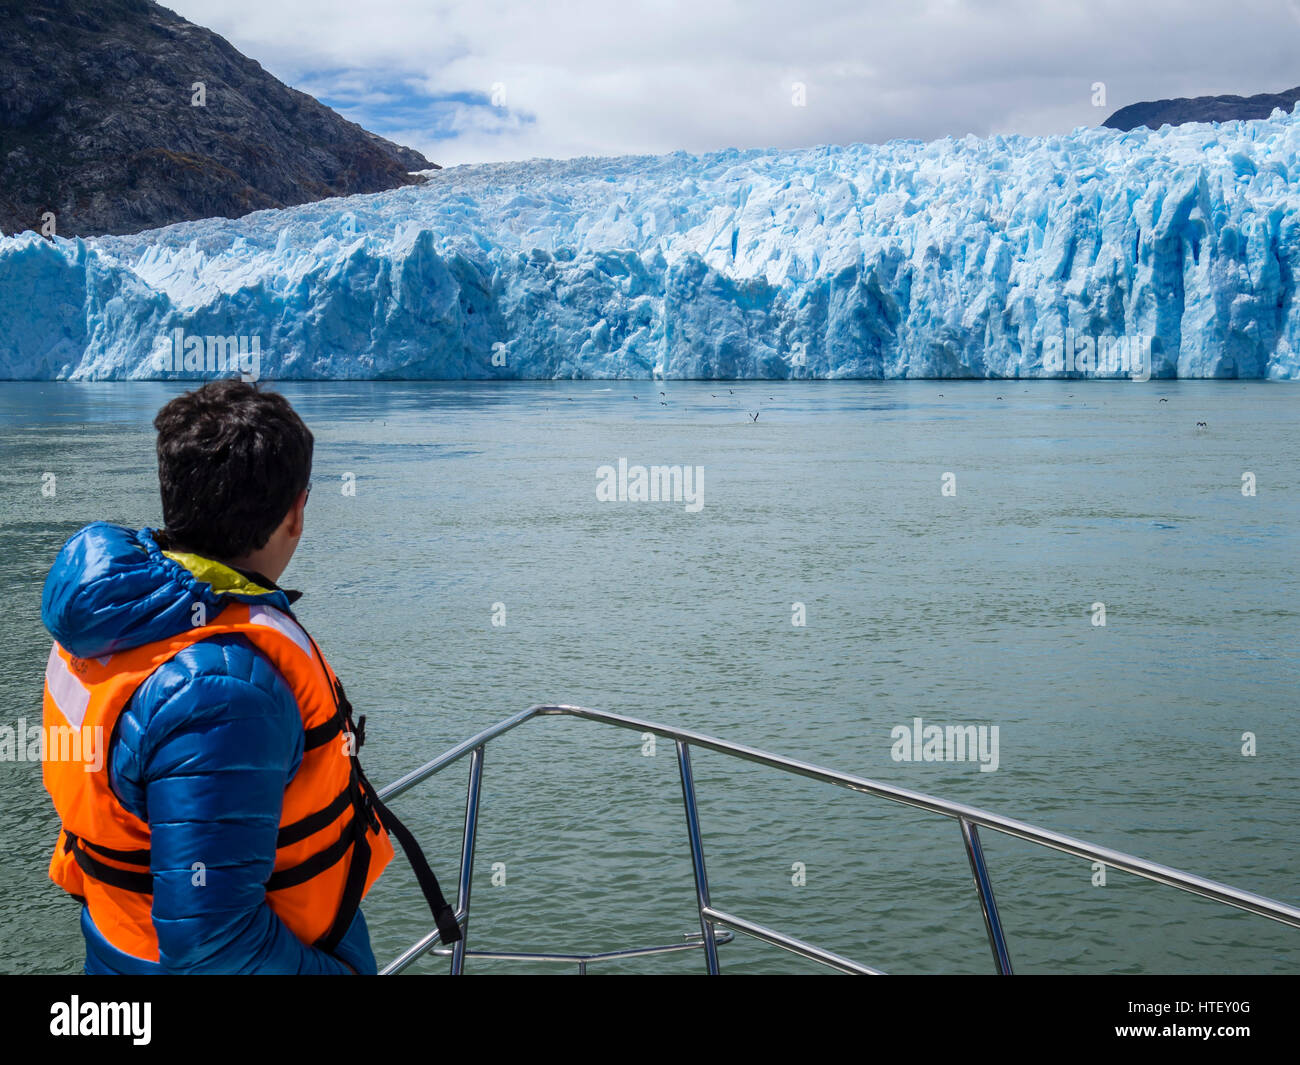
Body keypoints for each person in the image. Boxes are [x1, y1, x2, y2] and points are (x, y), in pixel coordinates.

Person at [39, 379, 459, 974]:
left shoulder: (113, 624)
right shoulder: (223, 694)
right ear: (296, 511)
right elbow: (215, 949)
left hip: (119, 950)